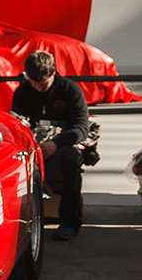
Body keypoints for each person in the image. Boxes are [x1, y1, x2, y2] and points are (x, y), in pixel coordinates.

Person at [11, 50, 90, 241]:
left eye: (43, 83)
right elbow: (16, 123)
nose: (38, 88)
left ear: (53, 73)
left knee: (70, 160)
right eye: (33, 82)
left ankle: (70, 221)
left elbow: (82, 128)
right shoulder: (23, 92)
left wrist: (56, 143)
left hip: (65, 142)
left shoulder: (70, 91)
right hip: (34, 142)